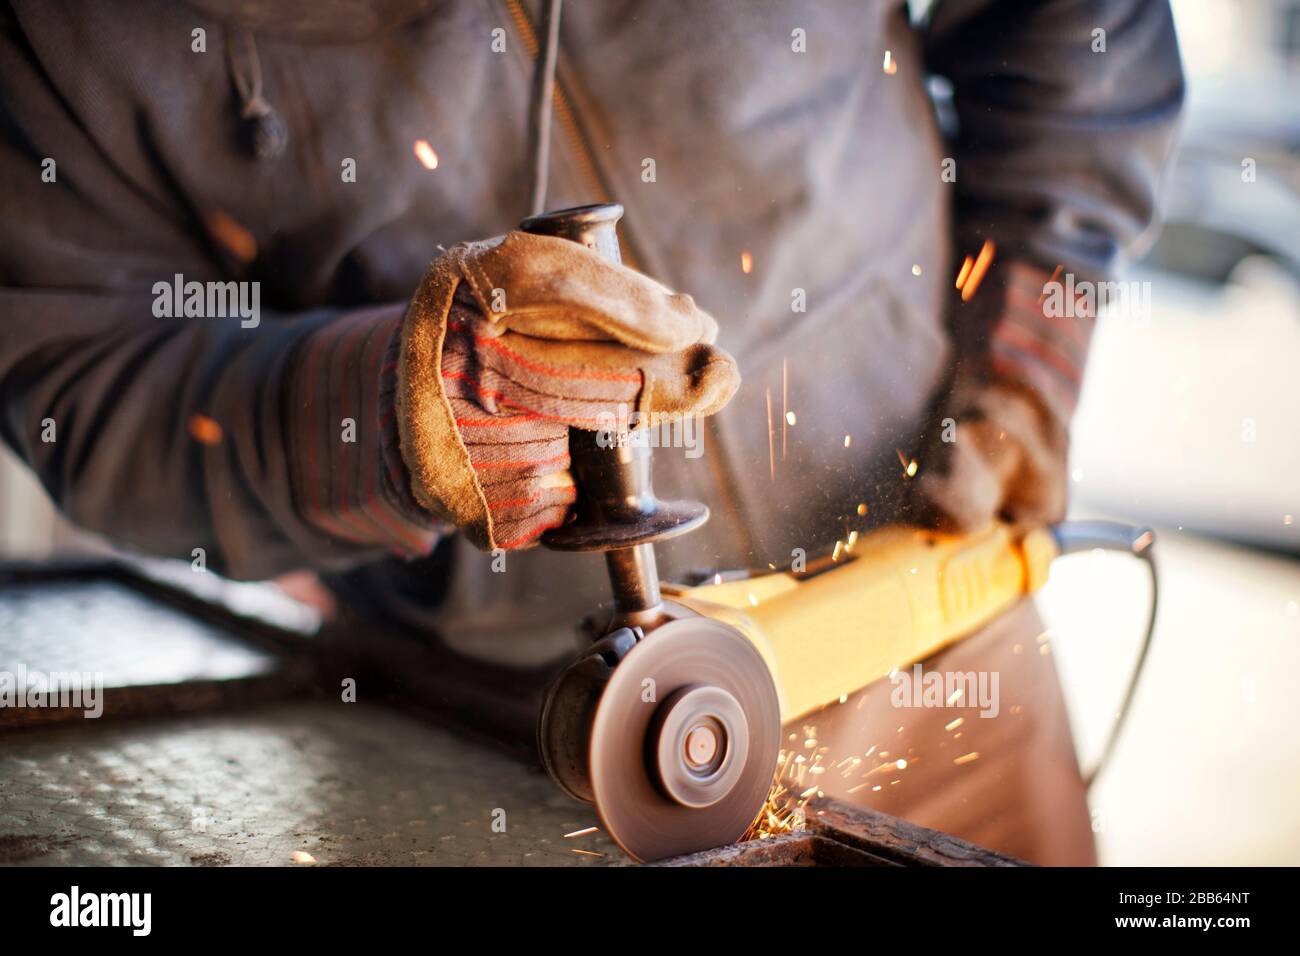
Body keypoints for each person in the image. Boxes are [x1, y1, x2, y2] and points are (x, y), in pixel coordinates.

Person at [0, 0, 1183, 864]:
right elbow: (76, 371)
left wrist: (1026, 351)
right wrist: (388, 413)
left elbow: (1083, 23)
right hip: (493, 738)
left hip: (938, 638)